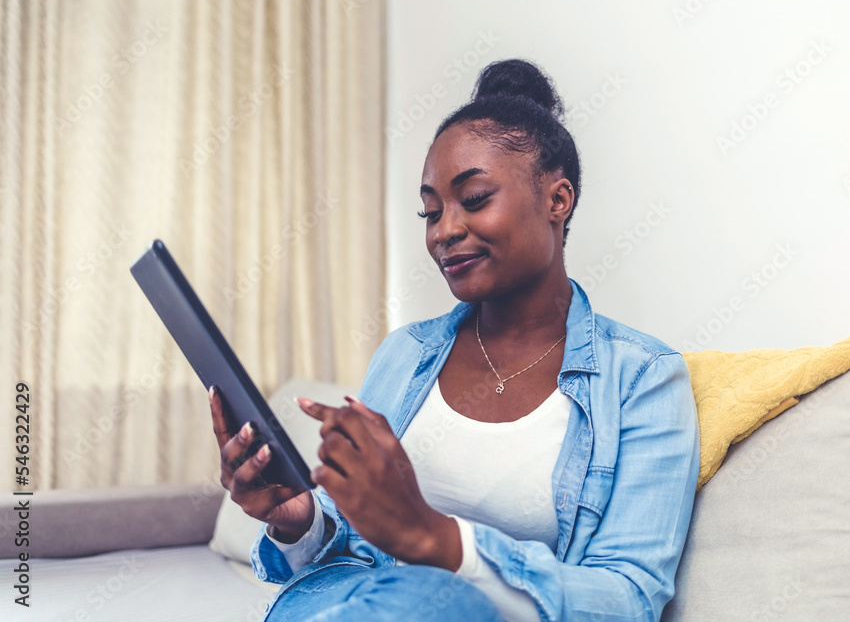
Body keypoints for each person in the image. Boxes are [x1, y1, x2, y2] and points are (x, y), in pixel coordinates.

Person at [209, 59, 700, 621]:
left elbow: (627, 600)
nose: (443, 231)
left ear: (557, 200)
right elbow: (348, 540)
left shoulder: (643, 379)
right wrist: (299, 519)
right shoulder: (406, 354)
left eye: (474, 199)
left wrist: (439, 541)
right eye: (431, 211)